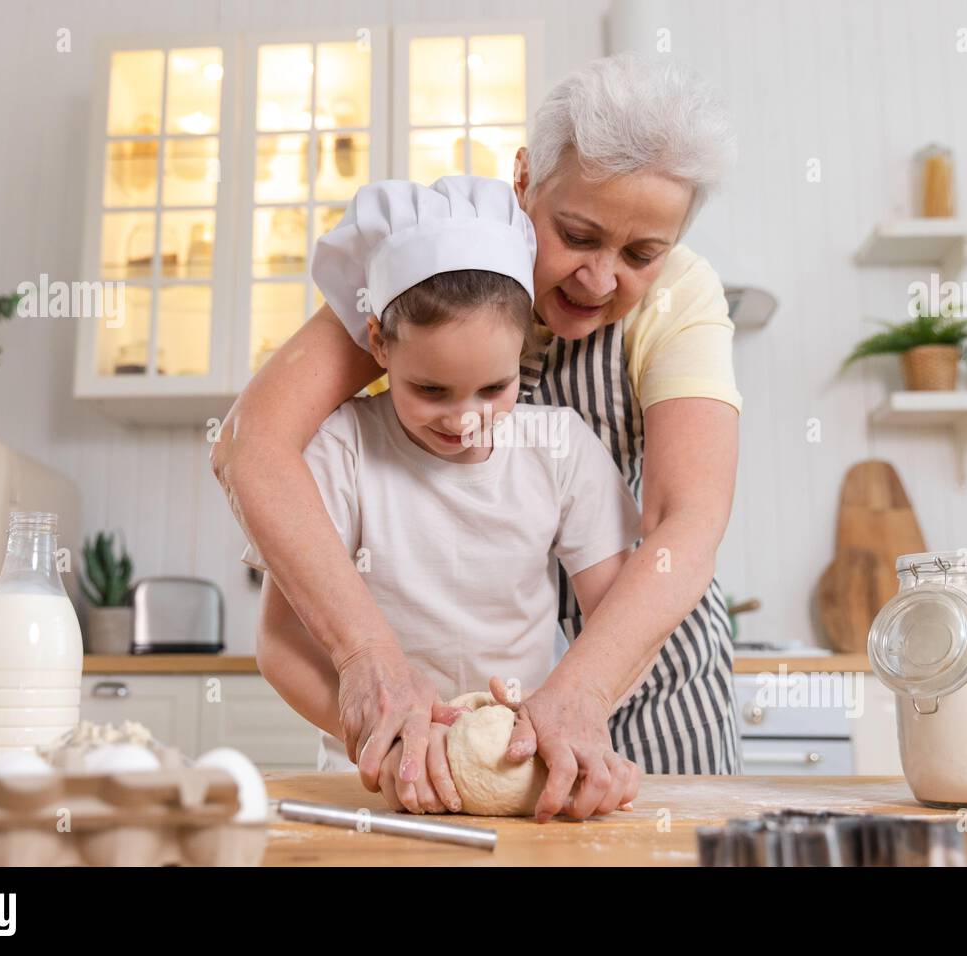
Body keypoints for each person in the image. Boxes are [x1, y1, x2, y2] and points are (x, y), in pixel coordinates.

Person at [214, 55, 743, 822]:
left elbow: (684, 522)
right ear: (524, 180)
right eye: (577, 234)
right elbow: (251, 445)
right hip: (430, 710)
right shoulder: (440, 268)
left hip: (641, 653)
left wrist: (586, 690)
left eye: (640, 255)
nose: (599, 280)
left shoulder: (682, 300)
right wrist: (368, 663)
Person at [238, 175, 644, 817]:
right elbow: (281, 645)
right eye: (429, 390)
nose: (464, 419)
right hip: (374, 792)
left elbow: (622, 618)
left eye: (494, 388)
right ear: (378, 344)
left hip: (524, 778)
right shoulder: (341, 450)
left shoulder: (560, 449)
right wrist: (389, 740)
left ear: (524, 349)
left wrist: (574, 715)